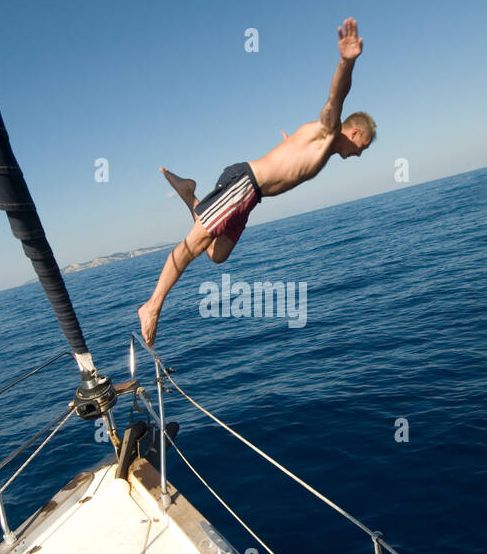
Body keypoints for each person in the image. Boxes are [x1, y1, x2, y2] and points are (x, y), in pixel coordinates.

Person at [138, 17, 374, 345]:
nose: (359, 155)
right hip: (244, 185)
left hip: (250, 197)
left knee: (217, 255)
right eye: (361, 148)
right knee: (192, 247)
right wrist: (346, 63)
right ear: (355, 132)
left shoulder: (321, 147)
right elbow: (336, 99)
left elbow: (290, 160)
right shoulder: (328, 130)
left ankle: (189, 194)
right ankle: (151, 306)